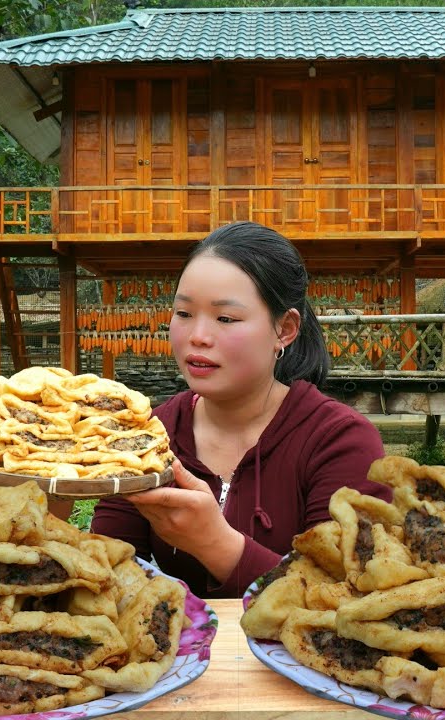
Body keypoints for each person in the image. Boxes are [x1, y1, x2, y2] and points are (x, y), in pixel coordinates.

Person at [91, 222, 391, 598]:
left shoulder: (340, 440)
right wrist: (46, 500)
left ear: (284, 329)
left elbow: (350, 596)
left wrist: (215, 543)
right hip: (176, 654)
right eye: (183, 313)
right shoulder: (146, 434)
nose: (197, 335)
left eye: (225, 318)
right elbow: (105, 567)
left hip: (294, 657)